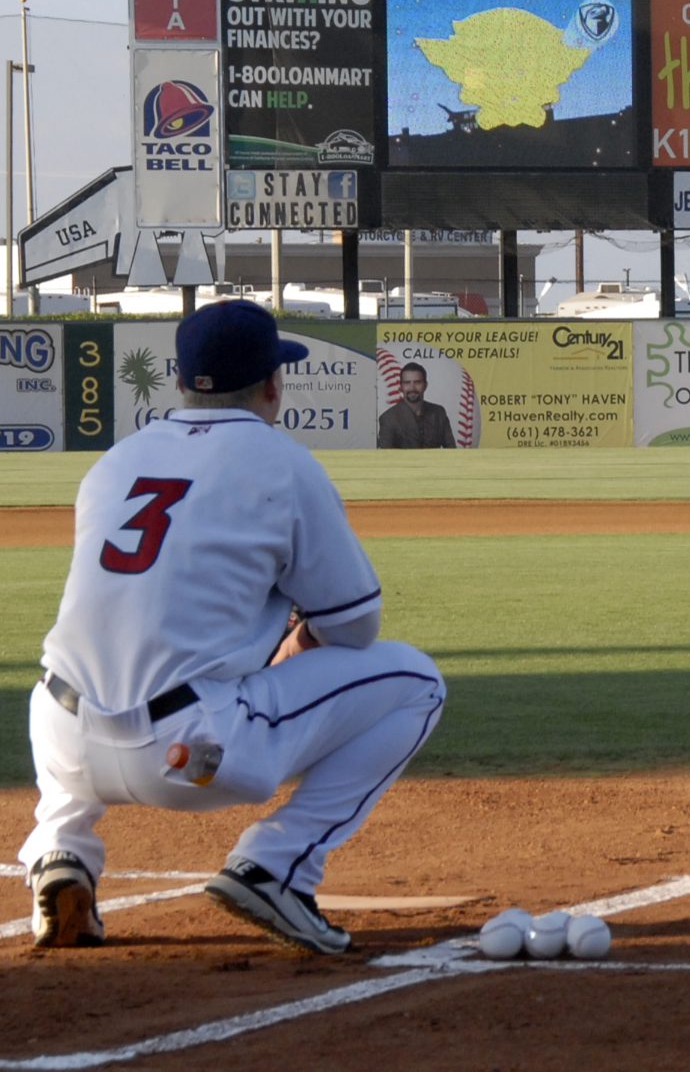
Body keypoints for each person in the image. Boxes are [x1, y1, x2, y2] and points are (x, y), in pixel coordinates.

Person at [19, 301, 445, 952]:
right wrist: (297, 638)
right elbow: (356, 626)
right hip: (191, 758)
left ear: (182, 383)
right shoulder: (282, 461)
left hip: (64, 744)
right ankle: (277, 865)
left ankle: (59, 852)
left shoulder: (116, 461)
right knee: (417, 680)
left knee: (73, 669)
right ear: (273, 385)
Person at [377, 361, 456, 449]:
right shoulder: (388, 418)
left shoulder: (439, 413)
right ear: (401, 386)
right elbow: (387, 459)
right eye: (407, 383)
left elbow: (452, 451)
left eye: (417, 382)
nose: (412, 388)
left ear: (425, 385)